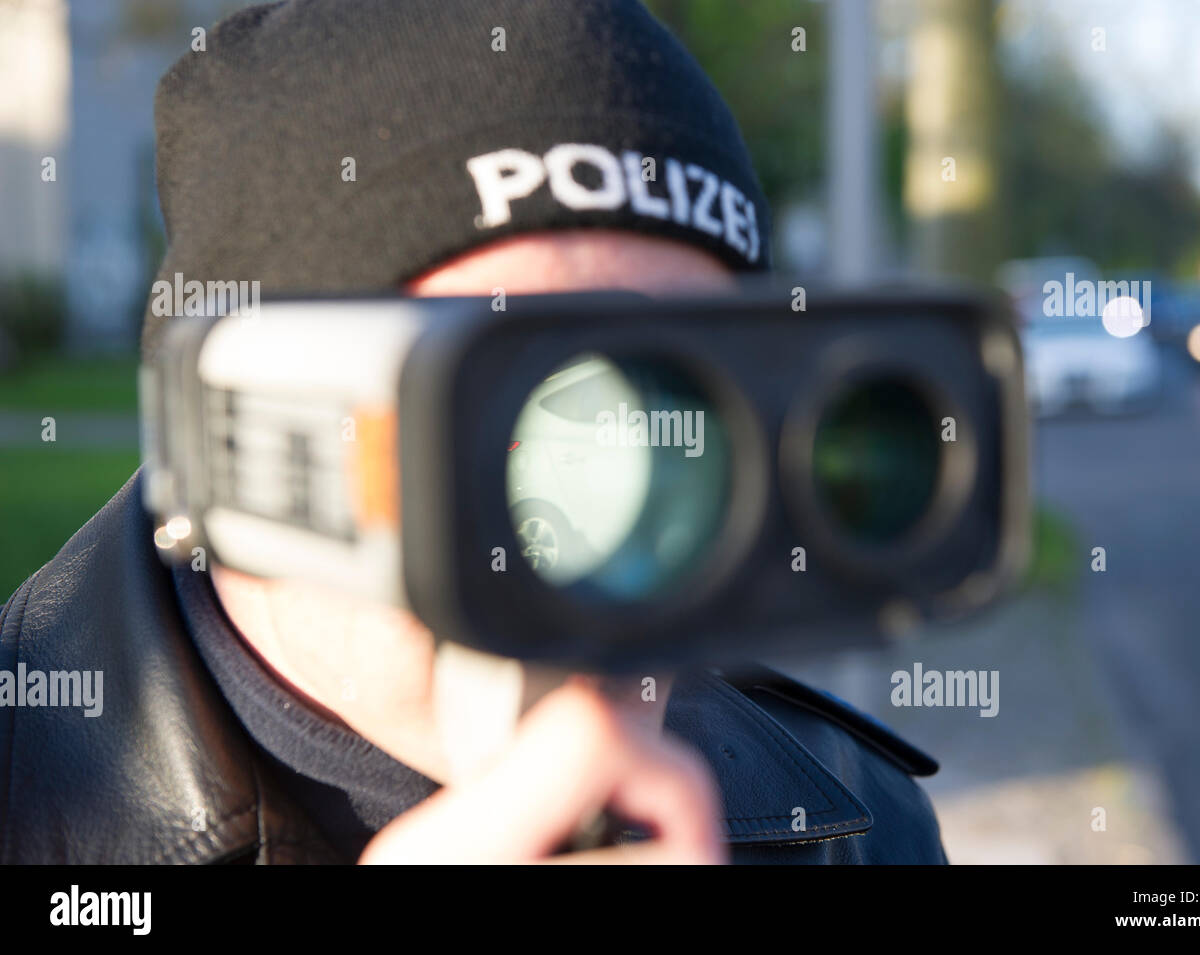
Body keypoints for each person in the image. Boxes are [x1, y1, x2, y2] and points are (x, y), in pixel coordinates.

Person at [0, 0, 946, 864]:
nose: (629, 520)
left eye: (683, 399)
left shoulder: (856, 818)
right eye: (503, 391)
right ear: (235, 441)